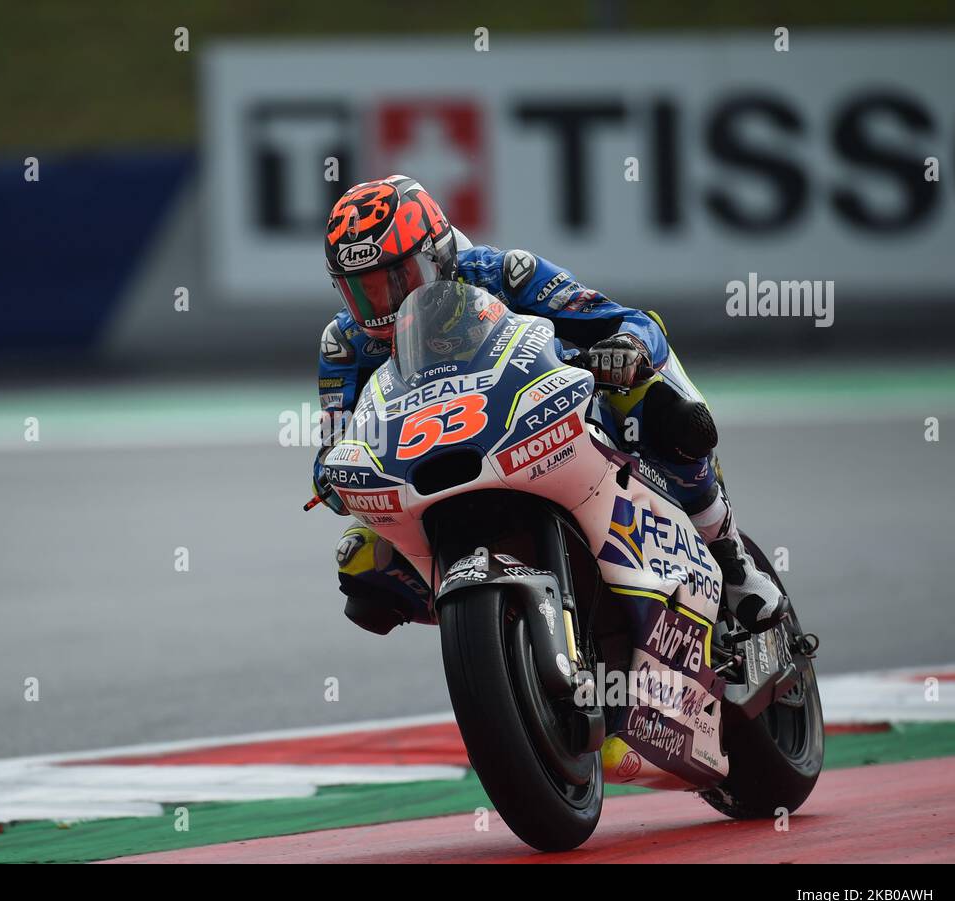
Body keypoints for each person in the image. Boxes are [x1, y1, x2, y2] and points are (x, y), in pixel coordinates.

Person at [315, 174, 786, 636]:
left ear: (439, 254)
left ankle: (730, 559)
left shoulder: (505, 274)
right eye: (364, 290)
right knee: (359, 561)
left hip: (549, 421)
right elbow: (339, 439)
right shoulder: (344, 343)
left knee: (669, 414)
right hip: (437, 461)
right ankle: (493, 624)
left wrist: (623, 348)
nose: (385, 305)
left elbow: (625, 320)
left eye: (397, 279)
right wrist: (332, 475)